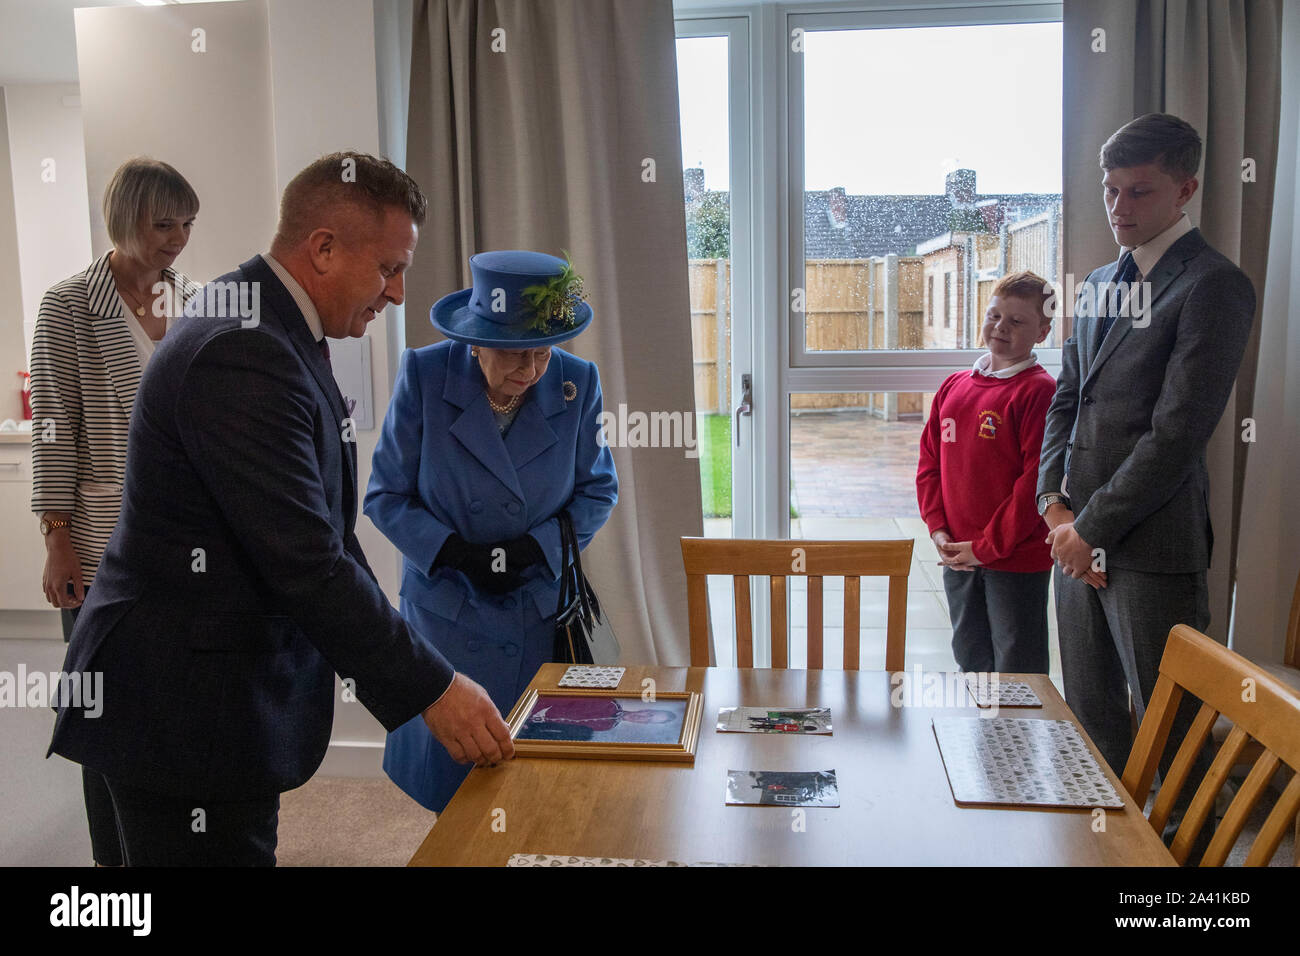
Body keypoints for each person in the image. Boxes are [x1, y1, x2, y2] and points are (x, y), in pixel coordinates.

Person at [47, 152, 513, 866]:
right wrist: (434, 690)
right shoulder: (245, 352)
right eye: (388, 268)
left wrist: (421, 670)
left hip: (198, 689)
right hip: (175, 706)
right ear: (322, 248)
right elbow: (306, 562)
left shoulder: (269, 323)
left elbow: (323, 534)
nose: (397, 294)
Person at [1036, 114, 1254, 803]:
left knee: (1175, 750)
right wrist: (1053, 505)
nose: (1119, 209)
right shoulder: (1099, 279)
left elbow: (1177, 434)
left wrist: (1090, 531)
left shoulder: (1214, 285)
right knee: (1094, 728)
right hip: (1074, 541)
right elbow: (1067, 397)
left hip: (1151, 547)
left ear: (1185, 188)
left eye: (1140, 192)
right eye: (1110, 191)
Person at [365, 249, 618, 812]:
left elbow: (598, 490)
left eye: (542, 353)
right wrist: (452, 551)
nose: (529, 371)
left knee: (535, 791)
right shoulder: (425, 375)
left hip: (536, 614)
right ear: (475, 339)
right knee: (455, 797)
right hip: (447, 619)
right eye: (512, 353)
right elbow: (384, 496)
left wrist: (537, 547)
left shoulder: (578, 383)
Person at [30, 157, 201, 866]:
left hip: (187, 540)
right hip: (101, 540)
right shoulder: (68, 305)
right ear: (124, 219)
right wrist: (57, 536)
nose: (178, 240)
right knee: (104, 706)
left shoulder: (196, 298)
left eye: (187, 224)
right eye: (164, 224)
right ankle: (115, 860)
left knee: (176, 699)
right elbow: (52, 427)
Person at [916, 271, 1057, 674]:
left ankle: (1019, 738)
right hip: (958, 554)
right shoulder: (953, 386)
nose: (1000, 328)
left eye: (1016, 322)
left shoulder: (1039, 392)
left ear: (1042, 332)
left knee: (1017, 665)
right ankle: (976, 736)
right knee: (970, 654)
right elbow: (930, 465)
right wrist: (939, 530)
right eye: (994, 315)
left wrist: (986, 548)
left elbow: (1034, 483)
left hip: (1014, 560)